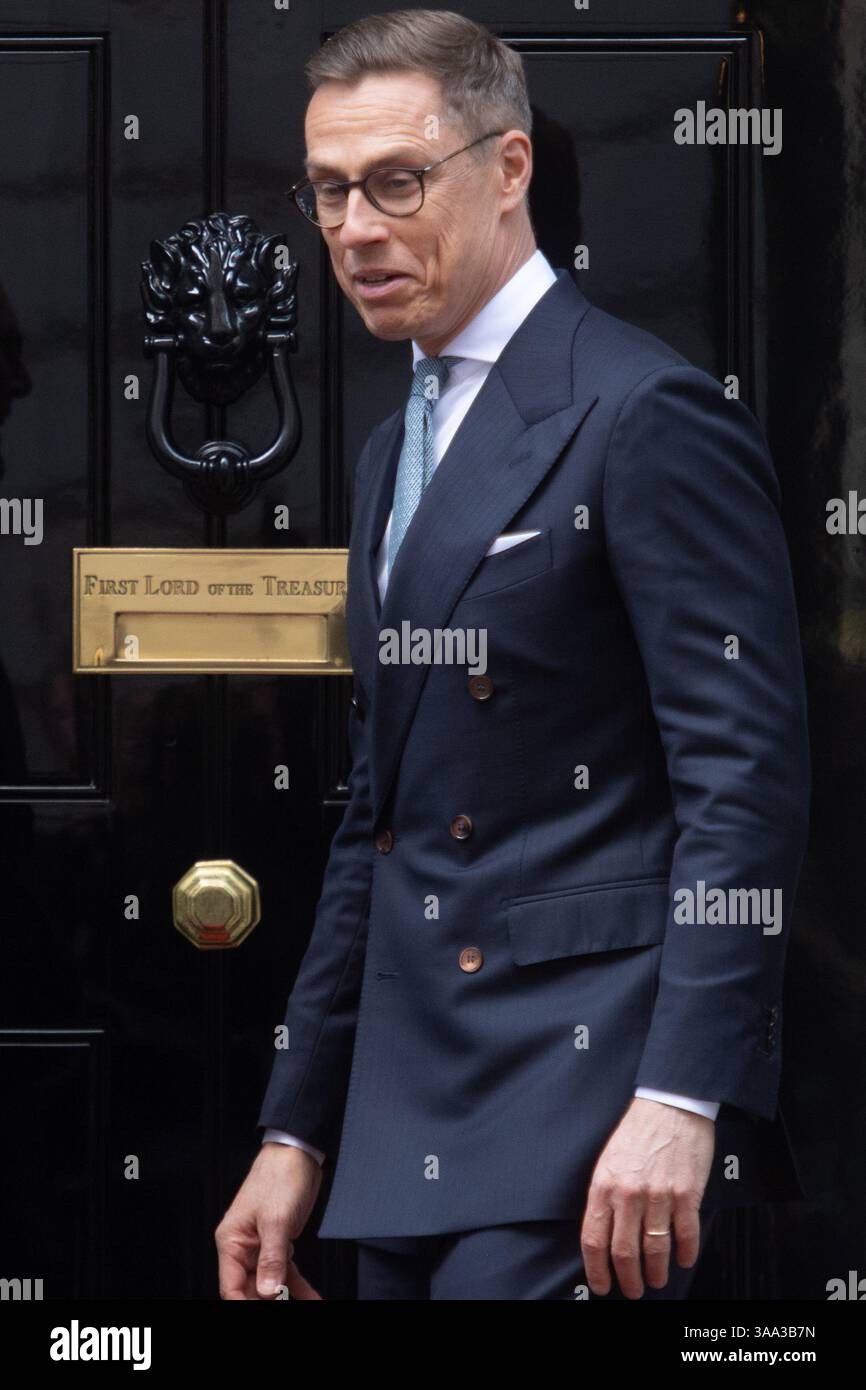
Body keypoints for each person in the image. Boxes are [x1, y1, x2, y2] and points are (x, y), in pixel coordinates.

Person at [215, 8, 810, 1301]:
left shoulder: (641, 412)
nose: (355, 229)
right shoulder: (389, 457)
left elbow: (742, 788)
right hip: (410, 1126)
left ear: (509, 167)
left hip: (588, 1128)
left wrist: (679, 1092)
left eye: (394, 181)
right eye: (328, 192)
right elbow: (382, 821)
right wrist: (294, 1126)